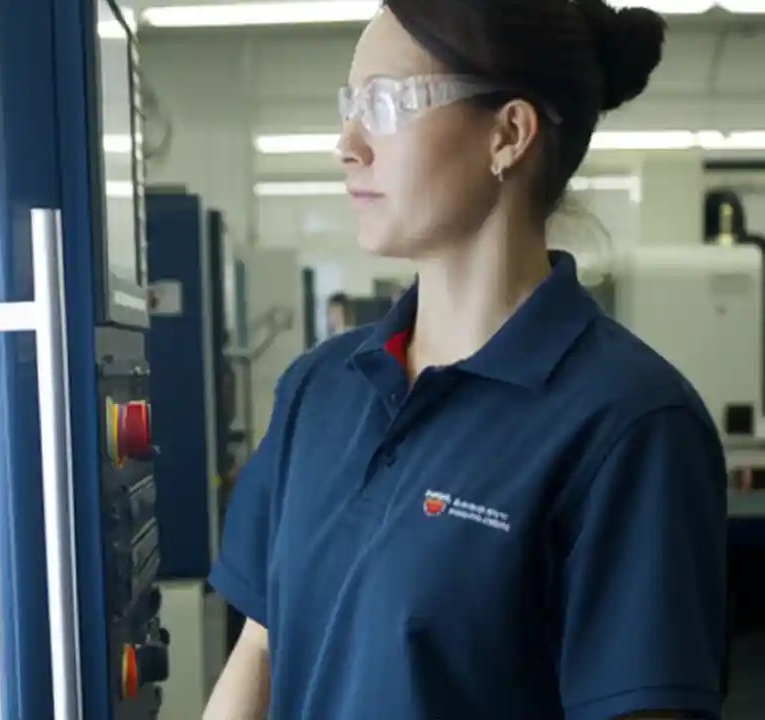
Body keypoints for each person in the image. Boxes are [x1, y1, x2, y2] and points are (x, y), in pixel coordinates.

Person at [204, 2, 727, 719]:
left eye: (386, 103)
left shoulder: (629, 427)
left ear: (508, 134)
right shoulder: (318, 391)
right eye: (350, 105)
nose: (348, 143)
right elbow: (261, 649)